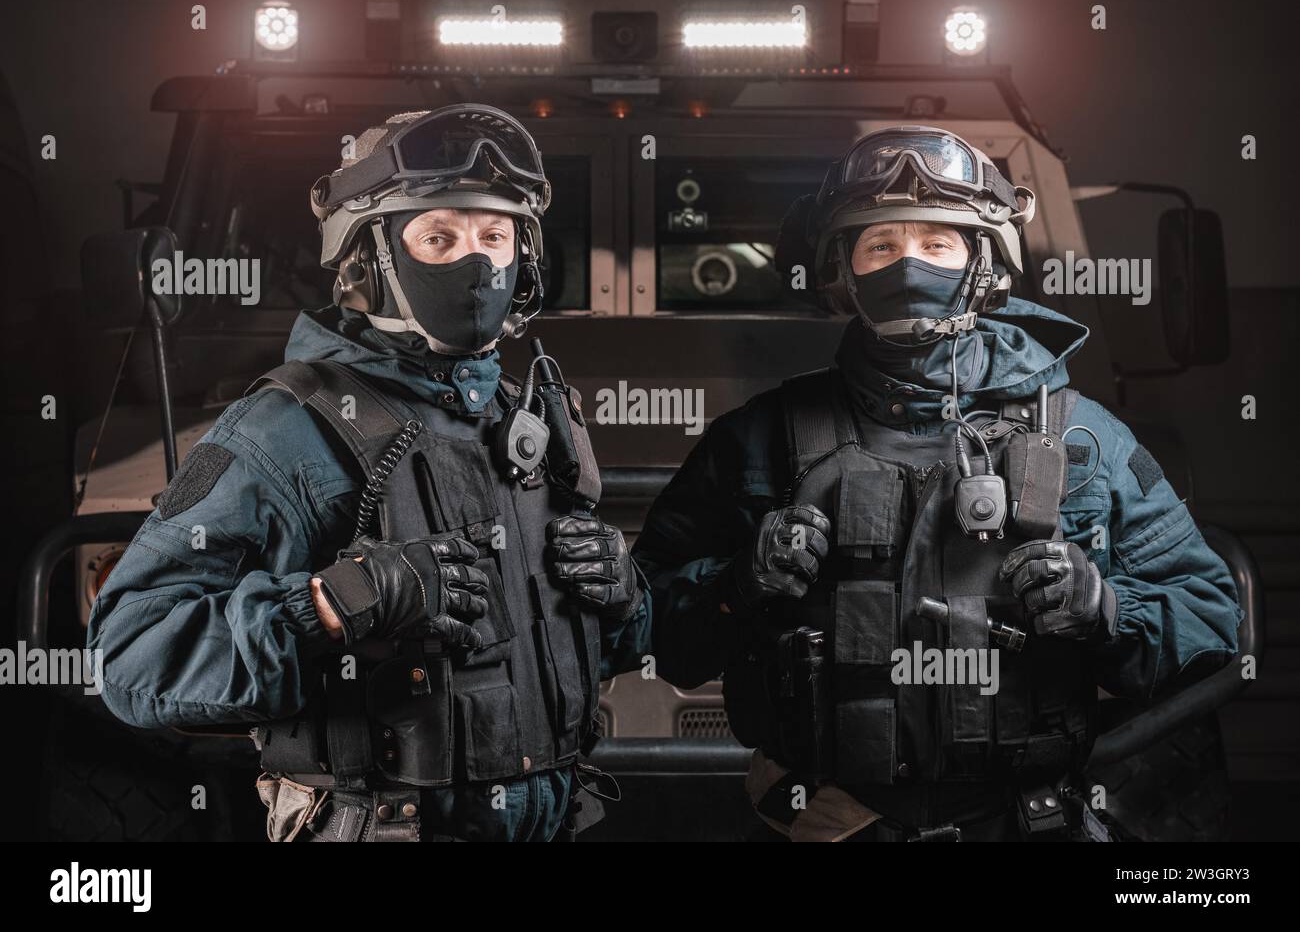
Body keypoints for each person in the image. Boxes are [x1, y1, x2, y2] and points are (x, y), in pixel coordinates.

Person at [631, 125, 1241, 842]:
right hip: (832, 822)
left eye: (937, 243)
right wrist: (737, 586)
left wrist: (1102, 608)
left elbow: (1209, 623)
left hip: (1030, 823)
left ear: (983, 262)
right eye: (881, 245)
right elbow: (643, 623)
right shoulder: (760, 440)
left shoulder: (1084, 439)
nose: (908, 265)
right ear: (842, 270)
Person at [87, 104, 650, 842]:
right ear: (367, 259)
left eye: (495, 236)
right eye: (439, 237)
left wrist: (623, 596)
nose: (477, 264)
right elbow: (128, 660)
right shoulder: (280, 428)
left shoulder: (532, 422)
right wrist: (332, 603)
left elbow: (591, 652)